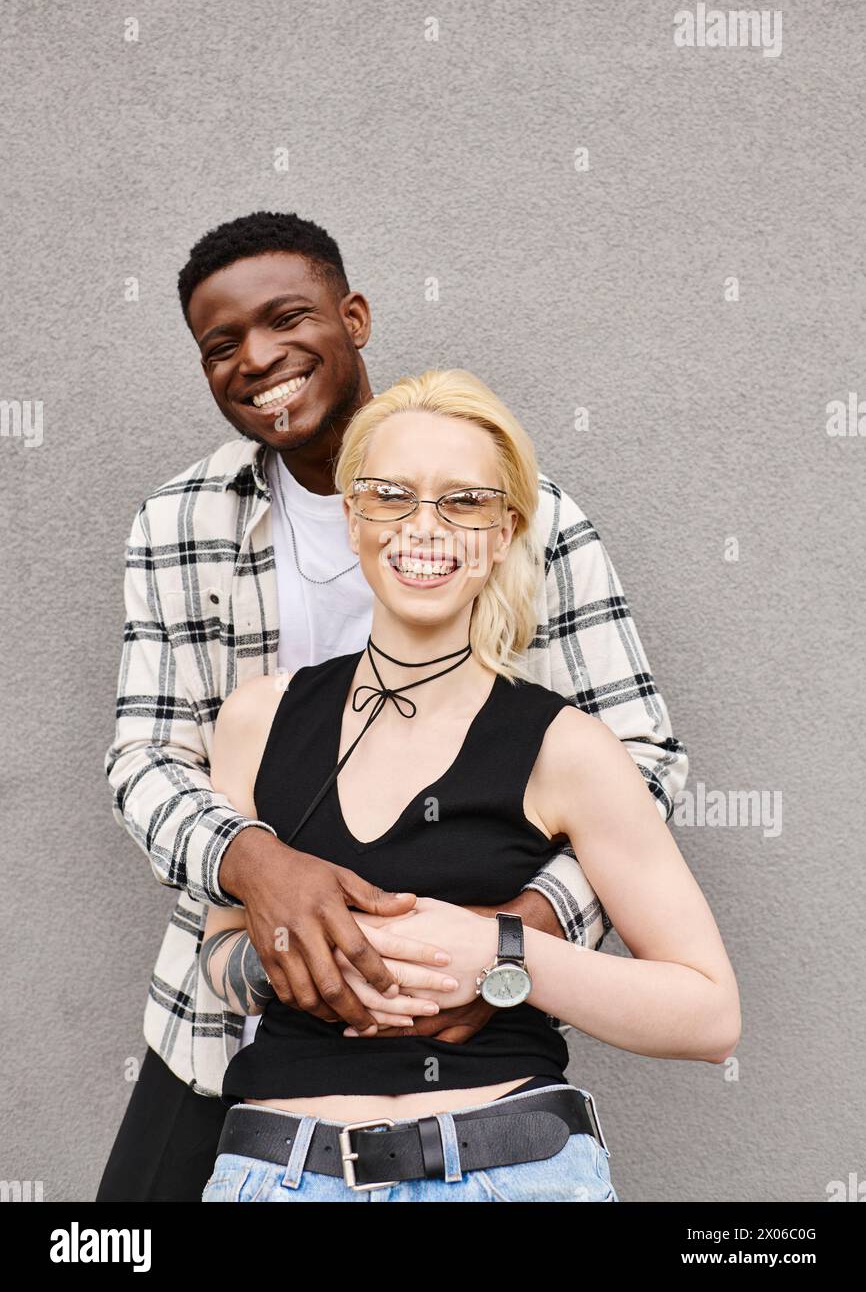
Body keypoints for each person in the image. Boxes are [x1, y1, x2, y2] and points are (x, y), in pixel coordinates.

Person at [96, 210, 688, 1202]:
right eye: (221, 343)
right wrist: (261, 865)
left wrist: (515, 939)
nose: (260, 358)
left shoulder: (518, 511)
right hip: (236, 1020)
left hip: (468, 1051)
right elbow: (144, 758)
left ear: (355, 317)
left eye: (287, 318)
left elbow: (642, 756)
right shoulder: (177, 521)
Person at [197, 367, 740, 1203]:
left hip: (505, 1173)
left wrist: (499, 953)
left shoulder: (568, 746)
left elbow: (709, 1016)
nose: (425, 527)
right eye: (392, 495)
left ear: (503, 533)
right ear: (352, 517)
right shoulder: (257, 720)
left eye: (464, 502)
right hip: (276, 1175)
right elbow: (221, 956)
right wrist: (303, 959)